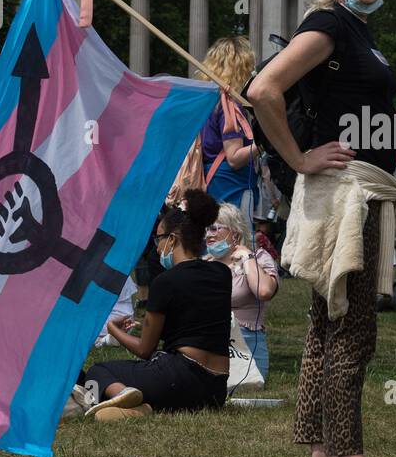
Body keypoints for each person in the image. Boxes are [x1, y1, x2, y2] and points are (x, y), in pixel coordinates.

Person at [246, 0, 396, 457]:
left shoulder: (355, 31)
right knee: (353, 331)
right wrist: (296, 157)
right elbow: (263, 88)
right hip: (344, 194)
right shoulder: (328, 26)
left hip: (355, 190)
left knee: (327, 326)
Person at [68, 191, 231, 421]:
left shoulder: (166, 281)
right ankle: (137, 405)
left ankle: (125, 397)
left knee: (97, 372)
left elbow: (145, 350)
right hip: (215, 389)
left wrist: (113, 330)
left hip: (179, 378)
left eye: (159, 239)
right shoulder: (222, 274)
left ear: (172, 240)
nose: (156, 248)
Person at [206, 203, 278, 383]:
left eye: (215, 228)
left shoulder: (258, 258)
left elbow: (264, 291)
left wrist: (246, 257)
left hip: (245, 352)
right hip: (210, 348)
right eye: (207, 228)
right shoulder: (204, 265)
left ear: (235, 233)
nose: (208, 234)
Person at [196, 36, 258, 218]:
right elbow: (234, 158)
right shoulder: (229, 104)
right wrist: (264, 142)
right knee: (236, 242)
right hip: (230, 188)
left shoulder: (206, 102)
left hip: (211, 182)